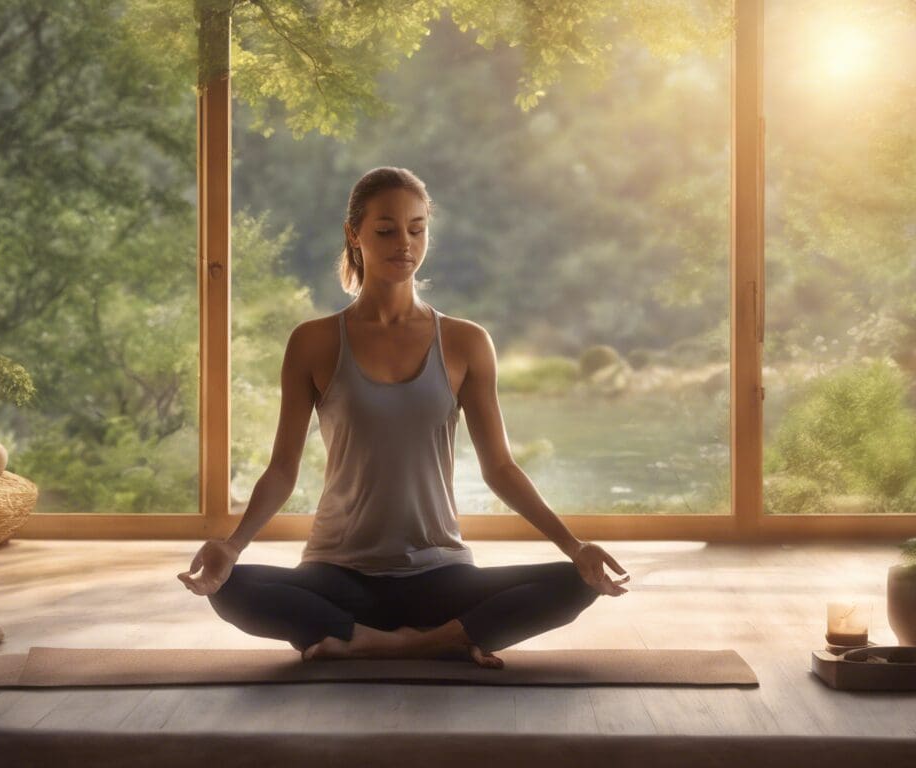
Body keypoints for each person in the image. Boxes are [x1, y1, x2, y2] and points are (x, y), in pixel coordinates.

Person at [178, 166, 630, 669]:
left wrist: (574, 546)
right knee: (231, 589)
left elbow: (500, 468)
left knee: (574, 582)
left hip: (439, 574)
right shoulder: (314, 341)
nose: (405, 243)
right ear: (355, 234)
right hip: (338, 572)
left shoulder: (466, 342)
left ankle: (379, 643)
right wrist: (231, 546)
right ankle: (446, 640)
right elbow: (282, 469)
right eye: (386, 229)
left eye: (417, 229)